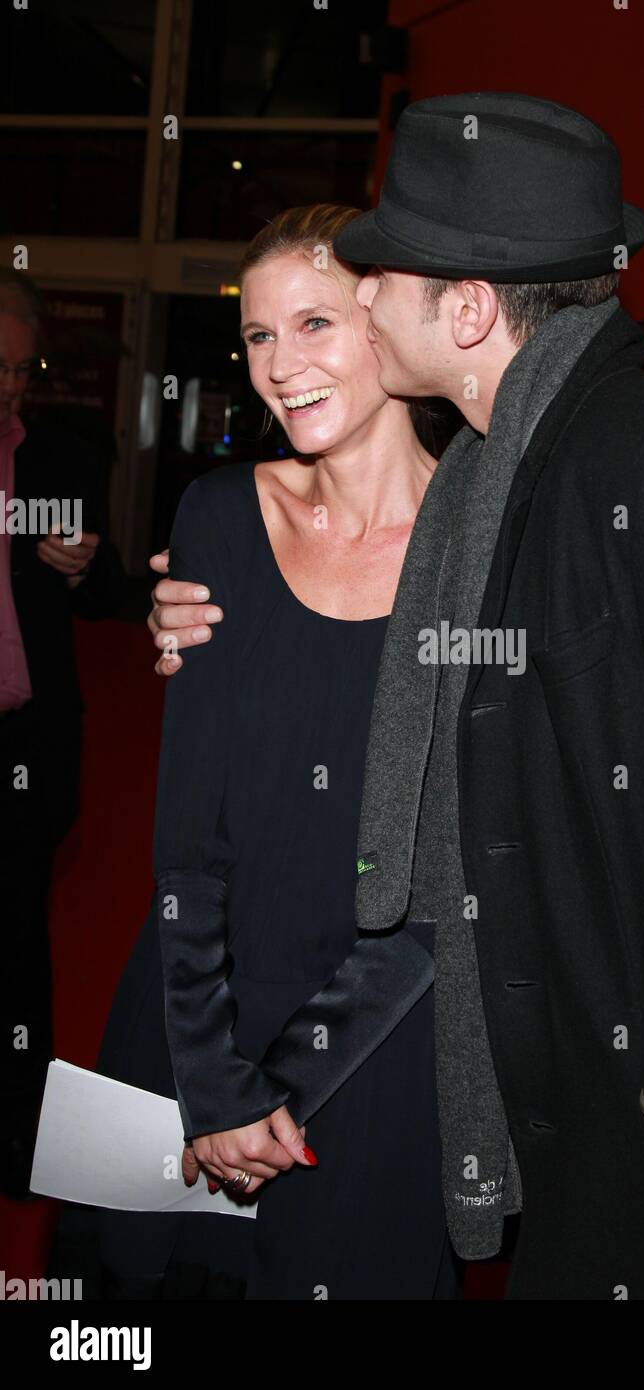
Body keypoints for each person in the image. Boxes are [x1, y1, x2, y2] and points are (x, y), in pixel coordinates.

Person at [146, 93, 644, 1300]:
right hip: (580, 1123)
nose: (358, 298)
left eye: (378, 274)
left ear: (466, 310)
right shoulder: (496, 477)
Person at [48, 204, 464, 1300]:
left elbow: (444, 872)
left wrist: (285, 1082)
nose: (281, 367)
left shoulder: (479, 550)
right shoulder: (223, 517)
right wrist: (216, 1071)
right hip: (201, 997)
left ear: (385, 324)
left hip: (378, 1035)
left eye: (314, 323)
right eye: (258, 336)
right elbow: (187, 832)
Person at [0, 269, 126, 1200]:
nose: (8, 386)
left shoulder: (52, 466)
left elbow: (114, 586)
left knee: (15, 955)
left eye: (18, 369)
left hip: (20, 750)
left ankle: (16, 1148)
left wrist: (82, 567)